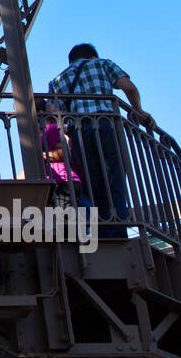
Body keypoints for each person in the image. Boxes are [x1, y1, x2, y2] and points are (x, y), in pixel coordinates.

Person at [47, 43, 154, 237]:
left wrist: (66, 134)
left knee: (93, 181)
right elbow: (128, 88)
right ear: (93, 56)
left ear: (71, 60)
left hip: (79, 132)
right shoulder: (103, 64)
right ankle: (118, 228)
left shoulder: (57, 81)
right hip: (106, 126)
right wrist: (139, 110)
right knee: (115, 178)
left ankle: (103, 230)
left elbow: (53, 113)